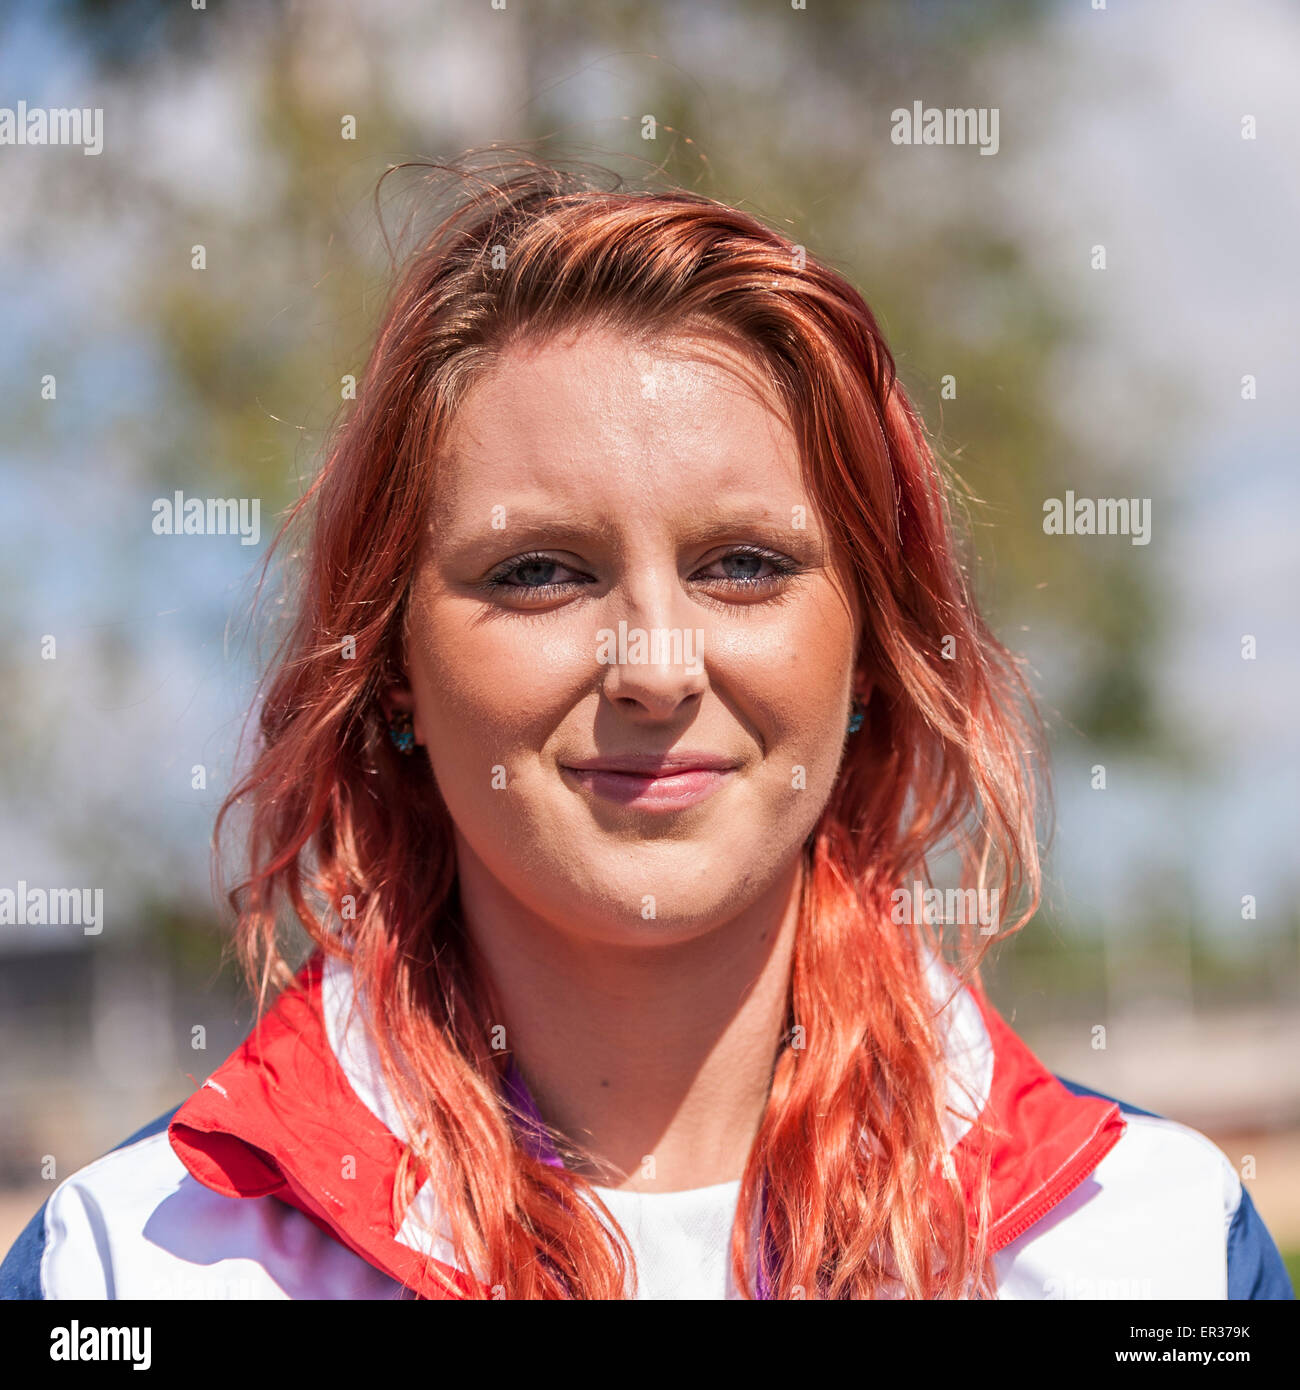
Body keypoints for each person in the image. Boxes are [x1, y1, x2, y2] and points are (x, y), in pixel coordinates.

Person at [2, 152, 1291, 1300]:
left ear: (868, 650)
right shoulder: (137, 1267)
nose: (657, 668)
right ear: (393, 664)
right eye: (540, 572)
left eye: (743, 564)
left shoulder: (1156, 1247)